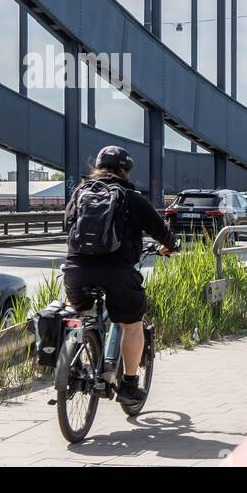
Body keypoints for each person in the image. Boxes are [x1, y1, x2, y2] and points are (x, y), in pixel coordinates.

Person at [61, 145, 177, 404]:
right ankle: (129, 385)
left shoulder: (80, 192)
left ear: (97, 167)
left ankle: (78, 357)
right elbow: (160, 230)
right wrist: (171, 244)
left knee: (79, 314)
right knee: (132, 324)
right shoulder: (132, 198)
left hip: (76, 271)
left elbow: (67, 223)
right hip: (117, 273)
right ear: (125, 171)